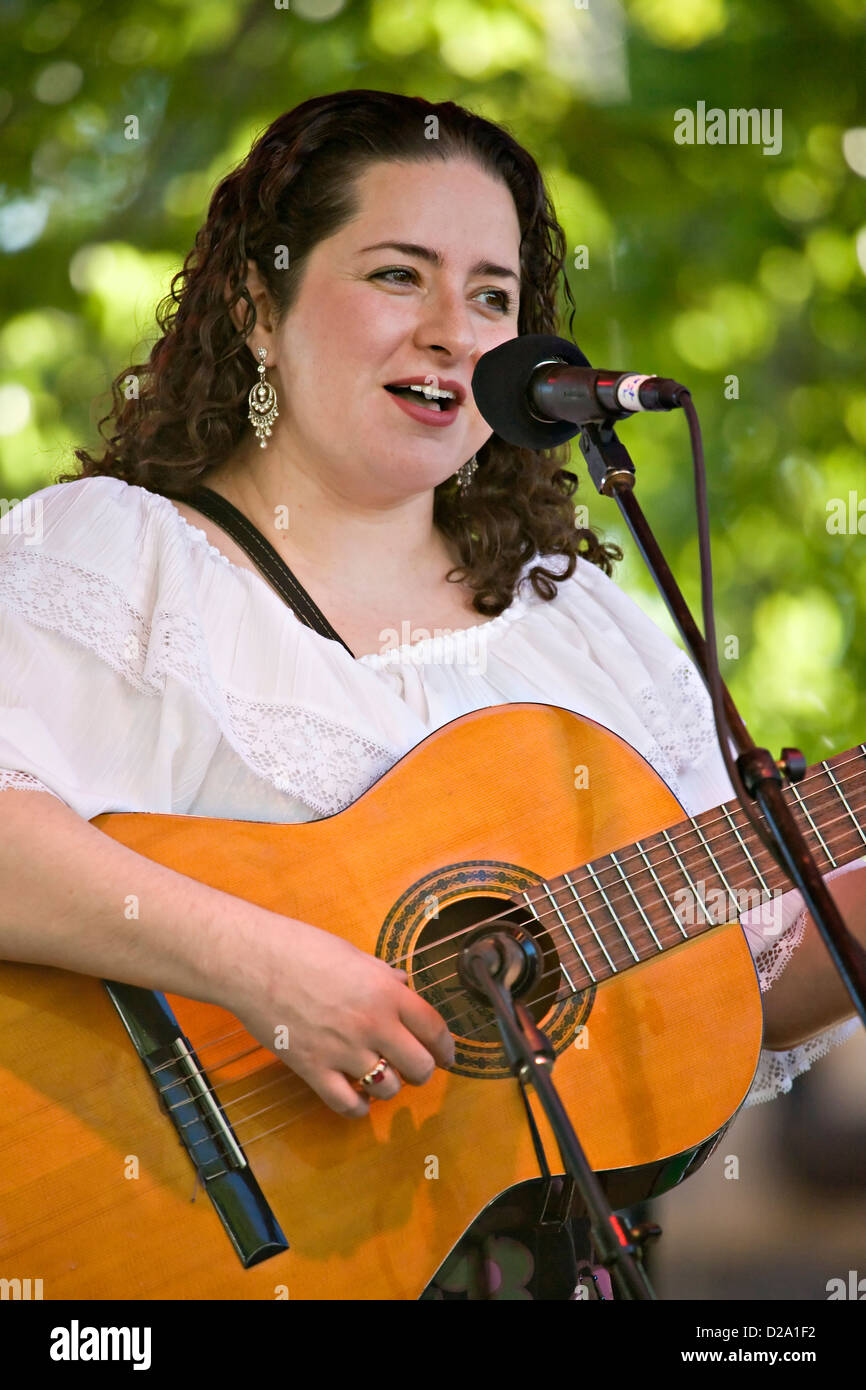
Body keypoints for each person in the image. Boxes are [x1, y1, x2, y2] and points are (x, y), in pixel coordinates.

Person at [0, 89, 863, 1301]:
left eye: (494, 297)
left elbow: (756, 970)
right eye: (399, 276)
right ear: (258, 305)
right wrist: (264, 967)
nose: (457, 333)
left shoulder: (582, 630)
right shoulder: (117, 555)